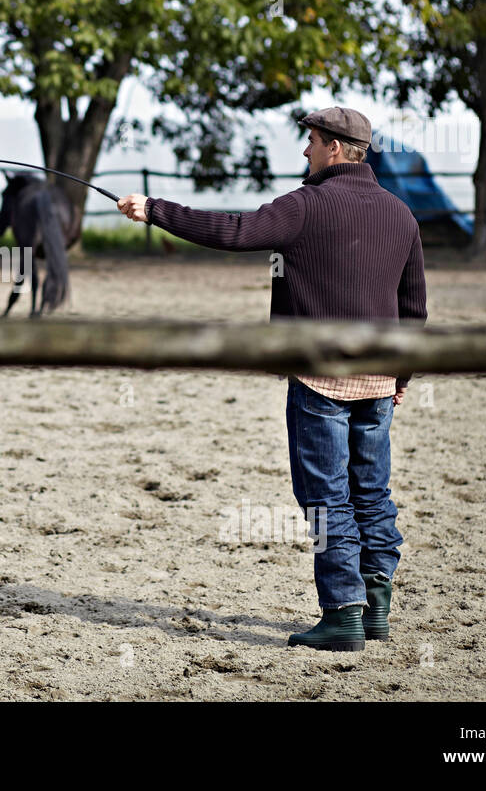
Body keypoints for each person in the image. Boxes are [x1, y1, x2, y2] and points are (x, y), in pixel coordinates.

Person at [117, 107, 427, 651]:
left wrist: (154, 210)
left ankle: (343, 612)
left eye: (309, 141)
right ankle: (376, 605)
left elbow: (233, 231)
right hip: (379, 382)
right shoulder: (402, 215)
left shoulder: (306, 206)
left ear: (334, 147)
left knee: (327, 494)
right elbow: (413, 308)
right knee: (372, 492)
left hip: (319, 378)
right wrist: (401, 374)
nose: (304, 151)